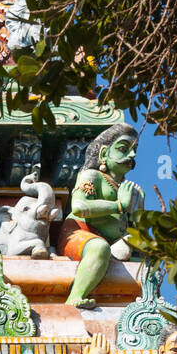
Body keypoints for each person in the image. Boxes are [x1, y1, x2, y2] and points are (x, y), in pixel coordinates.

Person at [58, 125, 144, 308]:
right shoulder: (93, 176)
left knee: (149, 261)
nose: (132, 156)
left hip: (115, 243)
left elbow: (134, 227)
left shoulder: (132, 190)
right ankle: (75, 297)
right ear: (104, 154)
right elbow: (80, 206)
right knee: (99, 248)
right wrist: (119, 205)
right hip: (79, 233)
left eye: (134, 151)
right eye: (123, 149)